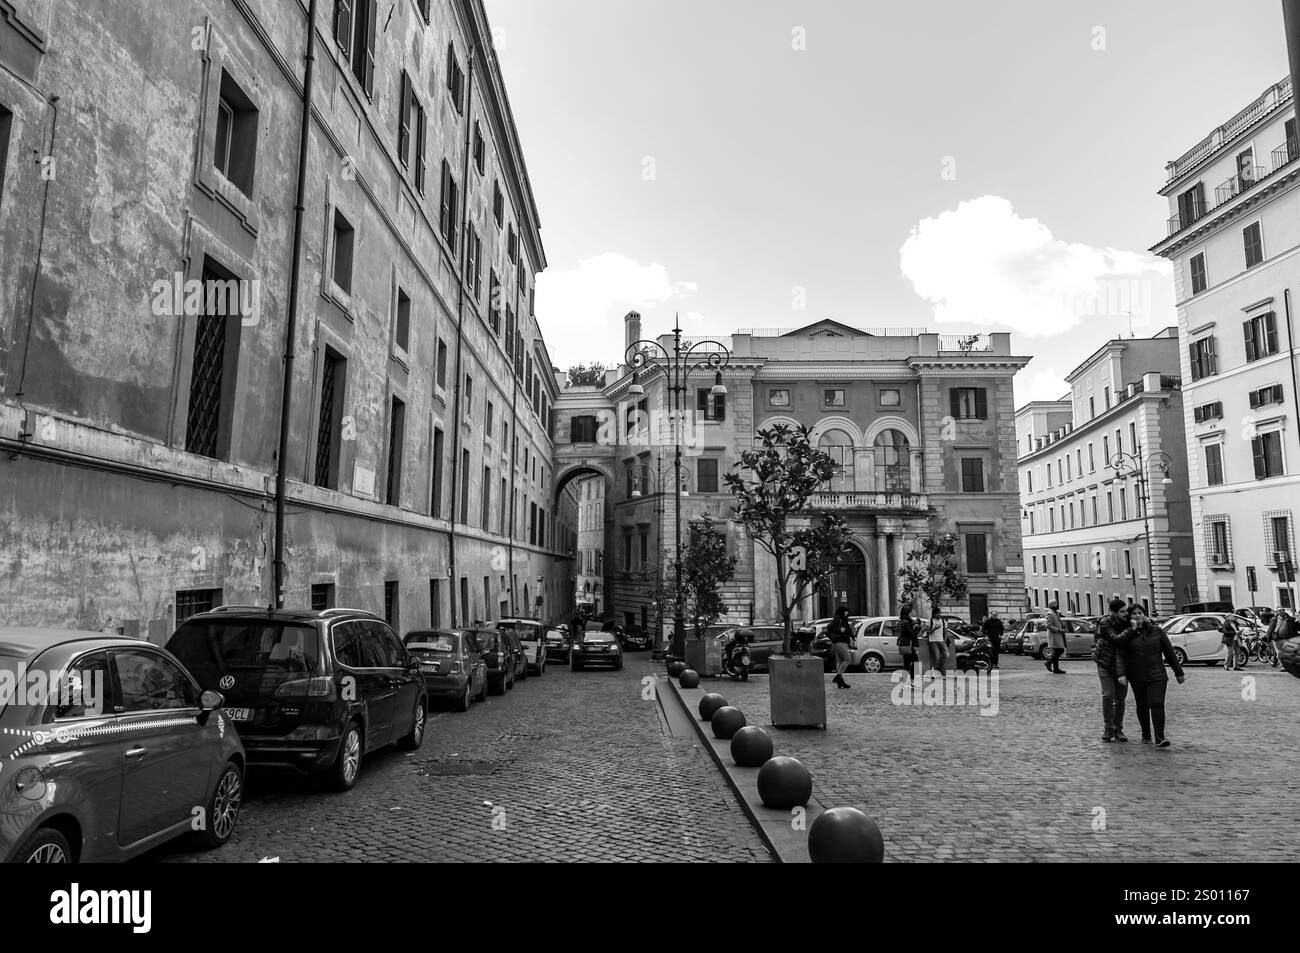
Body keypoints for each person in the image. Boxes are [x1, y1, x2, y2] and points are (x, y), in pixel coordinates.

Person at [1121, 604, 1185, 747]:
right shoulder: (1127, 634)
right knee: (1142, 705)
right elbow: (1121, 655)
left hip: (1157, 675)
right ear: (1129, 617)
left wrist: (1178, 672)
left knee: (1157, 704)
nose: (1137, 616)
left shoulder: (1157, 631)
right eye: (1134, 614)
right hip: (1137, 675)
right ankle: (1146, 734)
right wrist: (1121, 674)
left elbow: (1169, 652)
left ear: (1145, 615)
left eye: (1140, 613)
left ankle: (1160, 737)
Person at [1094, 598, 1134, 742]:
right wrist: (1131, 629)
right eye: (1122, 611)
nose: (1125, 613)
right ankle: (1108, 728)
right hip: (1105, 663)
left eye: (1126, 610)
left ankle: (1119, 729)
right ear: (1113, 612)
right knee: (1108, 695)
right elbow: (1116, 639)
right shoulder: (1105, 623)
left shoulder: (1129, 621)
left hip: (1123, 665)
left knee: (1120, 699)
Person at [827, 606, 854, 689]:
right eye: (846, 611)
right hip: (839, 642)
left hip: (843, 642)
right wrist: (839, 631)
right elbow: (830, 628)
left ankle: (840, 681)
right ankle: (838, 677)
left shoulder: (844, 619)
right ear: (842, 611)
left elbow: (848, 630)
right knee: (848, 659)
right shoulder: (837, 619)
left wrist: (853, 638)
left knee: (841, 661)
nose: (847, 613)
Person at [897, 605, 920, 680]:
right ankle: (913, 678)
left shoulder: (902, 621)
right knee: (915, 662)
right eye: (911, 611)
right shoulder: (907, 622)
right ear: (908, 613)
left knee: (907, 663)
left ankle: (907, 680)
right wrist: (918, 628)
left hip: (905, 644)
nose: (913, 612)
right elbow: (912, 634)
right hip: (909, 645)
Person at [1044, 601, 1066, 674]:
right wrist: (1058, 630)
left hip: (1058, 635)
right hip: (1054, 636)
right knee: (1060, 650)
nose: (1057, 605)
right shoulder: (1050, 613)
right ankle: (1049, 662)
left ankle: (1056, 668)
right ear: (1052, 605)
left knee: (1057, 651)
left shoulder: (1055, 612)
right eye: (1055, 604)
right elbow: (1048, 625)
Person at [926, 607, 949, 678]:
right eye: (937, 613)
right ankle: (941, 672)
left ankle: (937, 668)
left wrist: (944, 640)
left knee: (947, 655)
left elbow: (946, 632)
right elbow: (927, 632)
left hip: (941, 641)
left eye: (940, 613)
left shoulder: (943, 621)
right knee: (937, 657)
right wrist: (934, 629)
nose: (939, 615)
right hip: (933, 641)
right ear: (934, 614)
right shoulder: (930, 621)